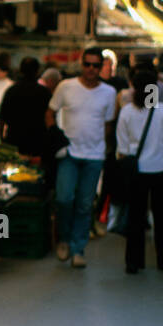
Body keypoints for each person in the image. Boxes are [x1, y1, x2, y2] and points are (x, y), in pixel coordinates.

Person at [47, 47, 117, 267]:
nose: (91, 69)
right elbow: (50, 112)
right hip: (68, 152)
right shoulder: (65, 87)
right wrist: (55, 135)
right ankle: (65, 240)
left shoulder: (109, 92)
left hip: (94, 155)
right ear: (81, 64)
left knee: (85, 204)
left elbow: (108, 124)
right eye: (87, 64)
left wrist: (103, 147)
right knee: (64, 199)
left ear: (102, 67)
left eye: (96, 65)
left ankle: (78, 249)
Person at [116, 69, 163, 273]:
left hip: (136, 172)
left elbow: (122, 149)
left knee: (136, 218)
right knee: (162, 218)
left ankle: (133, 262)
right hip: (161, 169)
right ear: (155, 87)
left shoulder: (126, 111)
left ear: (133, 87)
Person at [0, 56, 52, 157]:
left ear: (20, 71)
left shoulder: (11, 91)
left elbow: (2, 119)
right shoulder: (45, 93)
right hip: (37, 143)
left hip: (14, 141)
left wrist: (2, 140)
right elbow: (50, 118)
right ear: (37, 71)